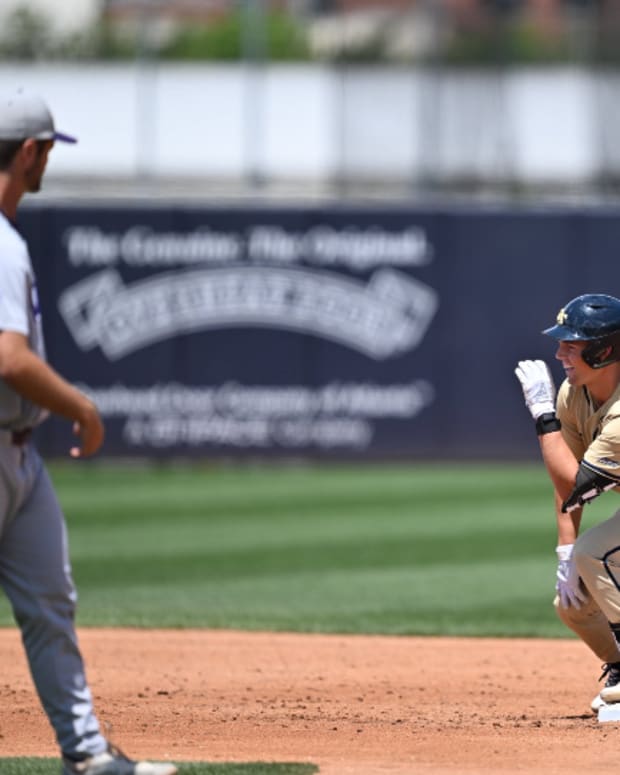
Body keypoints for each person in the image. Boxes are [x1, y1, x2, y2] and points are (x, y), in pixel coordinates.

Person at [0, 91, 177, 775]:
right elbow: (10, 357)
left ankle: (87, 753)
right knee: (50, 603)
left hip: (21, 456)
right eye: (46, 149)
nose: (47, 161)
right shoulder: (2, 244)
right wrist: (84, 408)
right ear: (28, 152)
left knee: (50, 601)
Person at [515, 293, 620, 714]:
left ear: (604, 350)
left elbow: (579, 485)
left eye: (571, 346)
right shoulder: (574, 394)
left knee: (595, 552)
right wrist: (565, 553)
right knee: (574, 602)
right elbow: (566, 479)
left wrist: (543, 417)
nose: (559, 355)